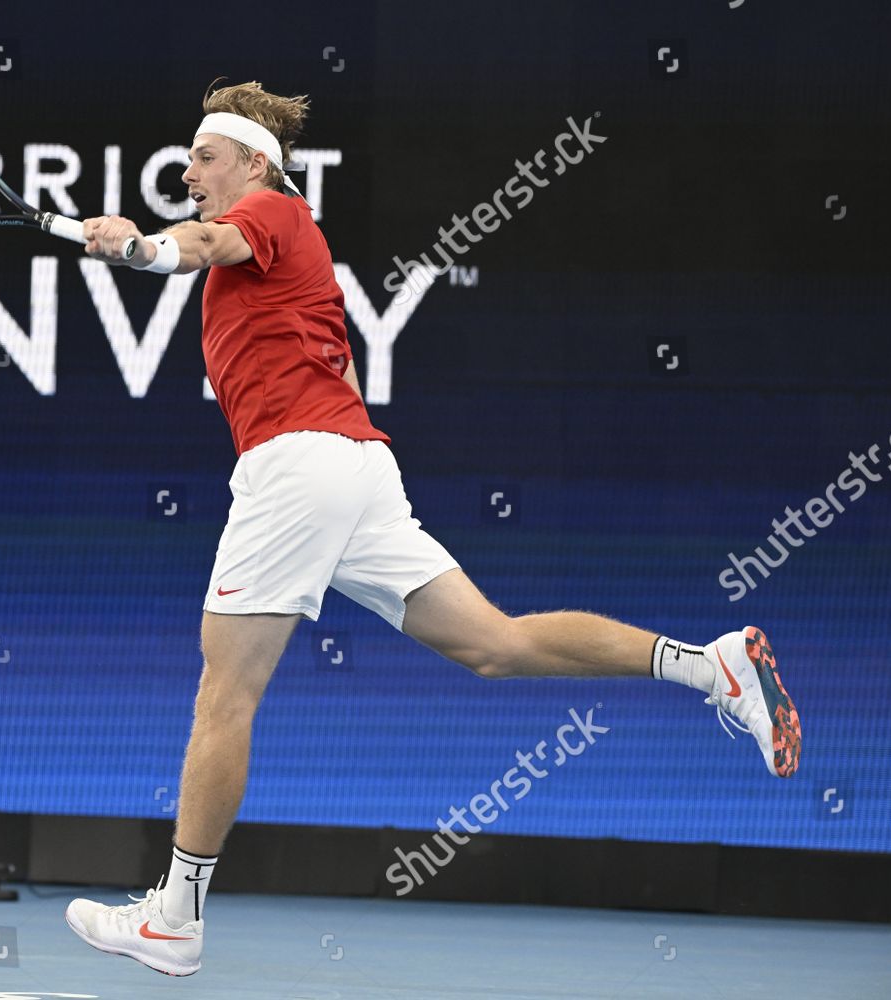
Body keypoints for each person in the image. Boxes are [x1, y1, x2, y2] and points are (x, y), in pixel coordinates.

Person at [66, 80, 802, 978]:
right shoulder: (266, 238)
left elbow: (202, 238)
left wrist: (141, 245)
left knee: (227, 688)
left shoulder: (269, 211)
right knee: (494, 645)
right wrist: (150, 247)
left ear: (254, 161)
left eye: (204, 157)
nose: (189, 174)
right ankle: (710, 664)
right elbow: (206, 244)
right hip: (355, 468)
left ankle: (175, 917)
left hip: (299, 466)